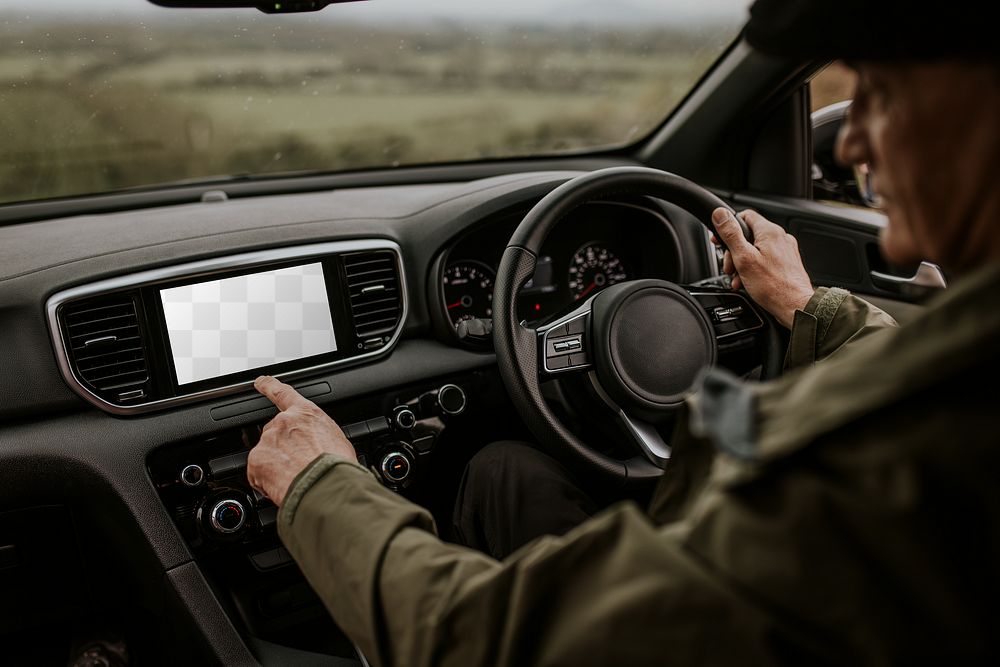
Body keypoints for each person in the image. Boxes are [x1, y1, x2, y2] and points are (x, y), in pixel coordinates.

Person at [247, 0, 1000, 664]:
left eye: (884, 91)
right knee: (509, 468)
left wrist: (321, 485)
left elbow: (485, 639)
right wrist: (809, 309)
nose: (850, 143)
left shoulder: (877, 473)